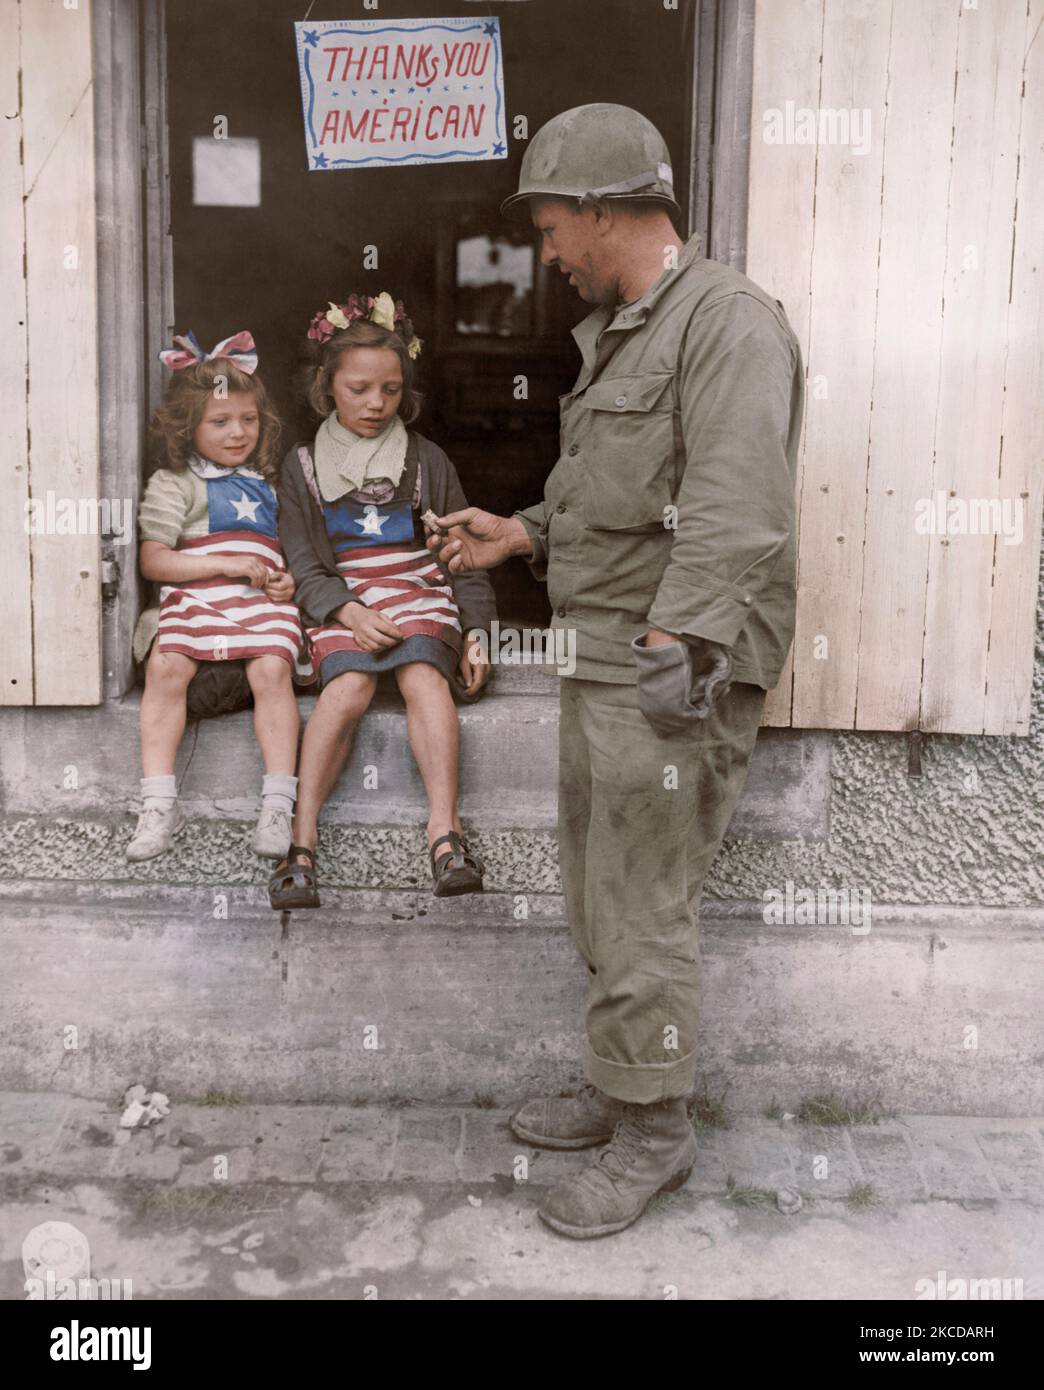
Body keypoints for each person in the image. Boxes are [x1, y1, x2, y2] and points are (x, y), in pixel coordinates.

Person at [427, 105, 804, 1239]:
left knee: (643, 902)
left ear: (603, 211)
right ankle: (619, 1088)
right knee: (602, 892)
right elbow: (624, 492)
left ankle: (655, 1134)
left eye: (552, 228)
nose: (546, 253)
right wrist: (526, 532)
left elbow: (738, 513)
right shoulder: (631, 328)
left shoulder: (727, 325)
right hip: (605, 652)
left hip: (666, 665)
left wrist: (678, 649)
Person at [269, 294, 496, 910]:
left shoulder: (425, 460)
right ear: (326, 386)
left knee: (425, 678)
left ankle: (445, 834)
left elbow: (465, 556)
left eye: (391, 391)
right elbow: (304, 563)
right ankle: (302, 843)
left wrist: (477, 631)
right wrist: (345, 611)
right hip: (344, 598)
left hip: (418, 590)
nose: (376, 404)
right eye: (360, 389)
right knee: (346, 691)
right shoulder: (304, 467)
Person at [128, 331, 304, 863]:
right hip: (197, 595)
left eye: (248, 420)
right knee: (167, 665)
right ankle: (159, 802)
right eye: (220, 422)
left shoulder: (271, 482)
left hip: (258, 603)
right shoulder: (175, 483)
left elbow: (294, 551)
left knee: (271, 668)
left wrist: (287, 579)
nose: (237, 434)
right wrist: (223, 564)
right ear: (189, 426)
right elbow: (154, 560)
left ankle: (278, 802)